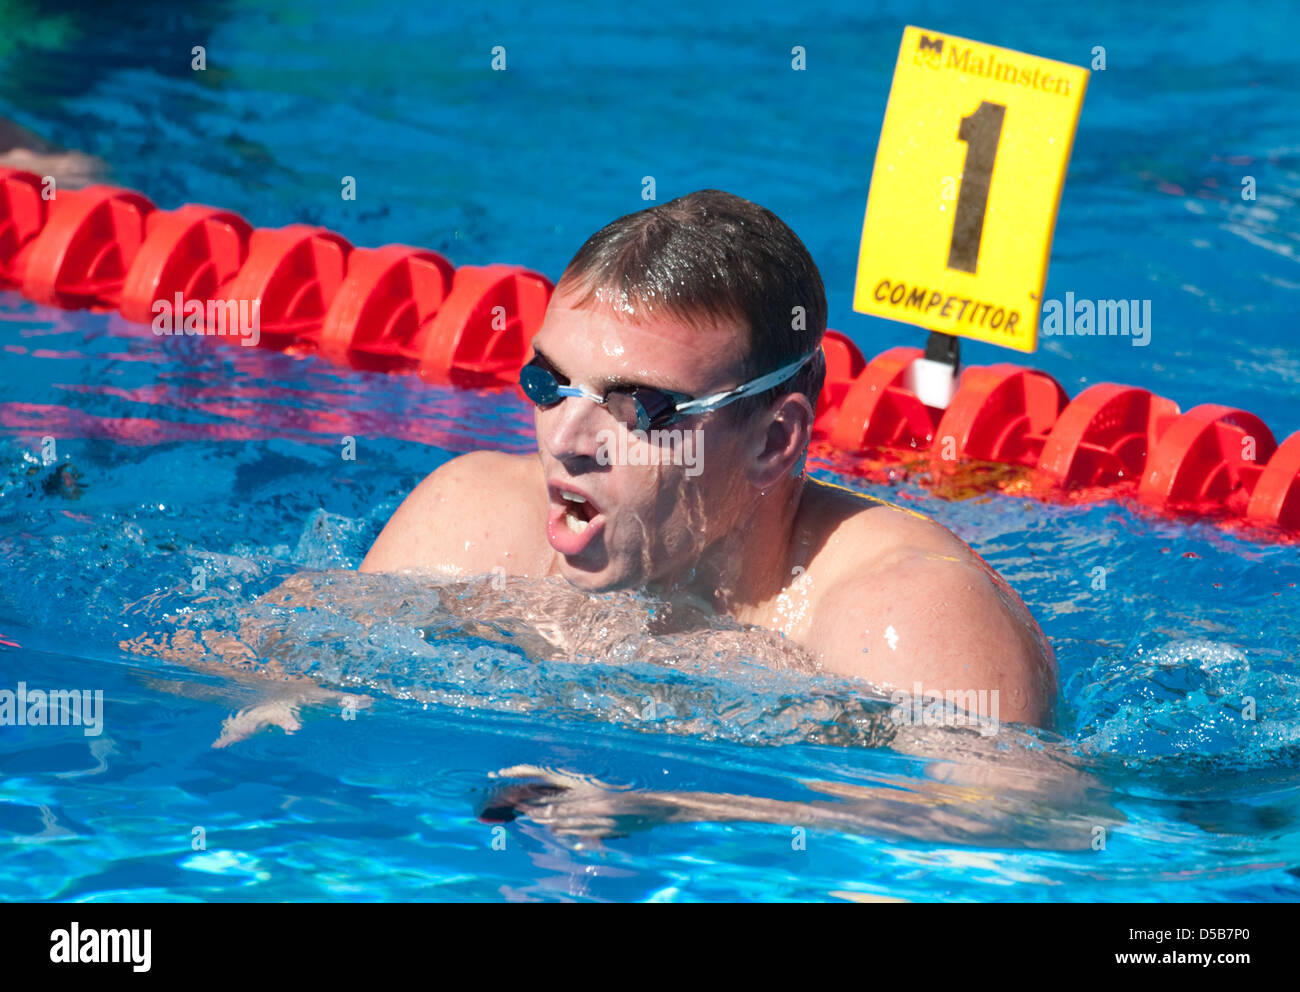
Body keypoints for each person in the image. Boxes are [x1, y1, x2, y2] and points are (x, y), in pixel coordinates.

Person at [361, 189, 1058, 729]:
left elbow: (1004, 841)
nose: (567, 439)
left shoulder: (907, 619)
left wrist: (676, 798)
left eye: (635, 405)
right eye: (549, 384)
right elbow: (274, 676)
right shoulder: (470, 520)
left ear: (772, 442)